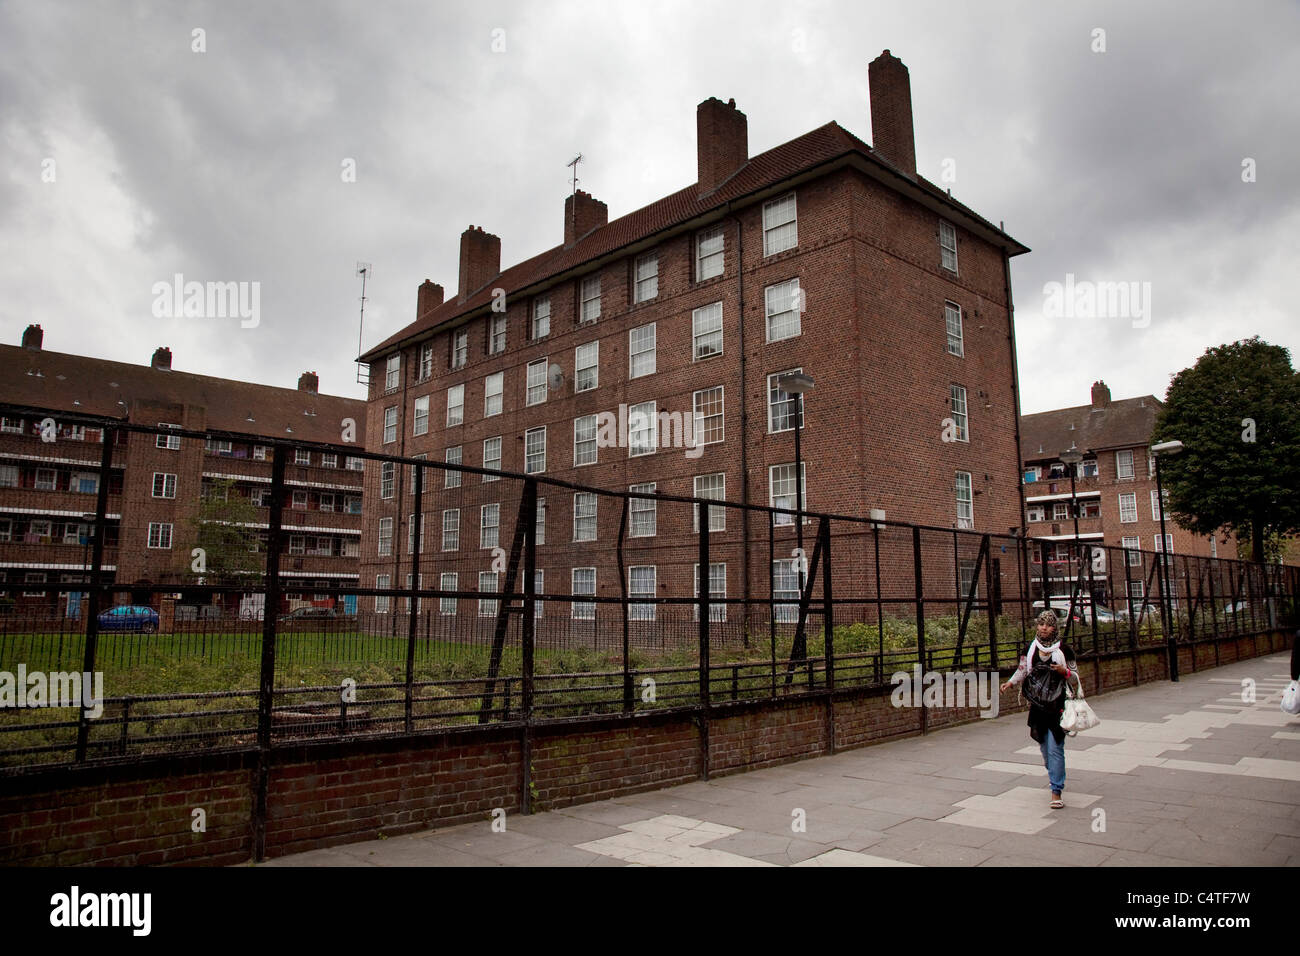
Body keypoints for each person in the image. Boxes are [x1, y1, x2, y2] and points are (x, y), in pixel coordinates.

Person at [1001, 610, 1074, 808]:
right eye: (1041, 624)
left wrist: (1063, 671)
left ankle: (1056, 790)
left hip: (1058, 704)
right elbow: (1023, 670)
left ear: (1054, 627)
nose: (1043, 628)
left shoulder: (1064, 650)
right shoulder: (1030, 648)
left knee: (1055, 748)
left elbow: (1075, 676)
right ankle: (1054, 774)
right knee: (1044, 747)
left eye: (1048, 624)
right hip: (1038, 705)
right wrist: (1011, 683)